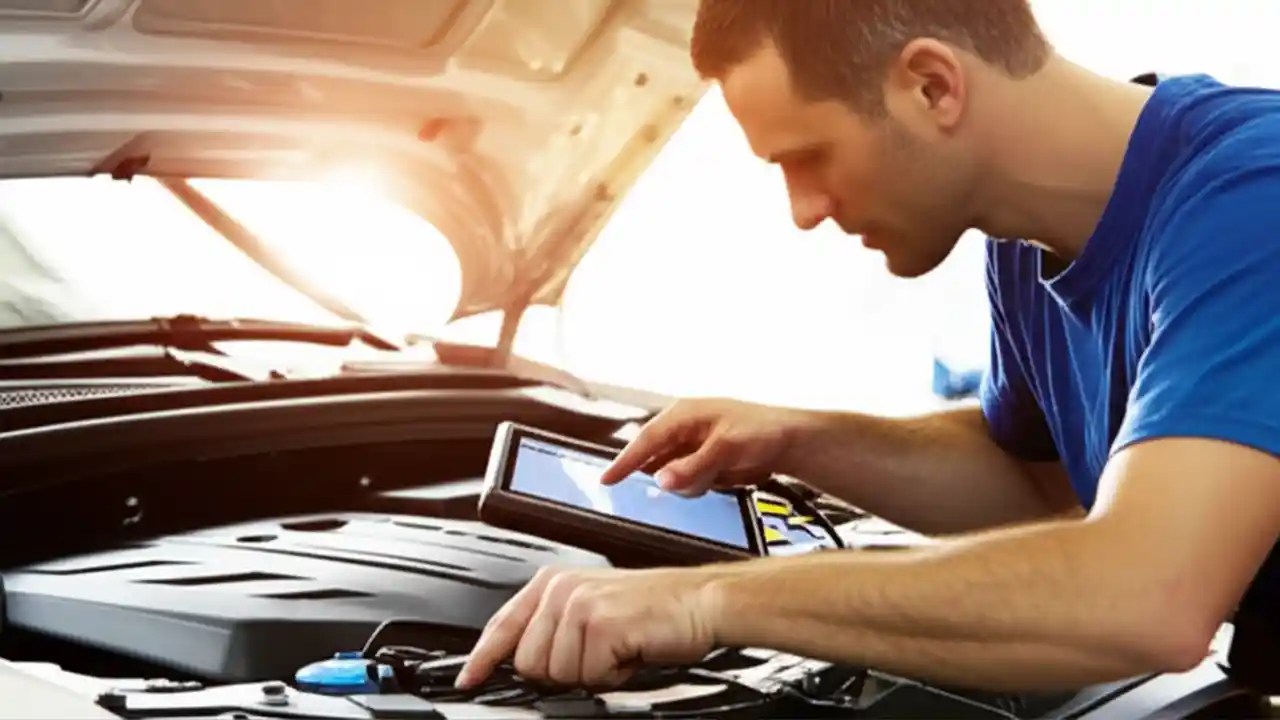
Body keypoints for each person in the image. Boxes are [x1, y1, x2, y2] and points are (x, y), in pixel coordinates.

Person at [457, 0, 1280, 693]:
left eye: (807, 157)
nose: (803, 210)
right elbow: (1037, 479)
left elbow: (1147, 596)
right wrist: (801, 440)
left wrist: (705, 602)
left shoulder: (1252, 200)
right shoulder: (1024, 243)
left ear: (932, 85)